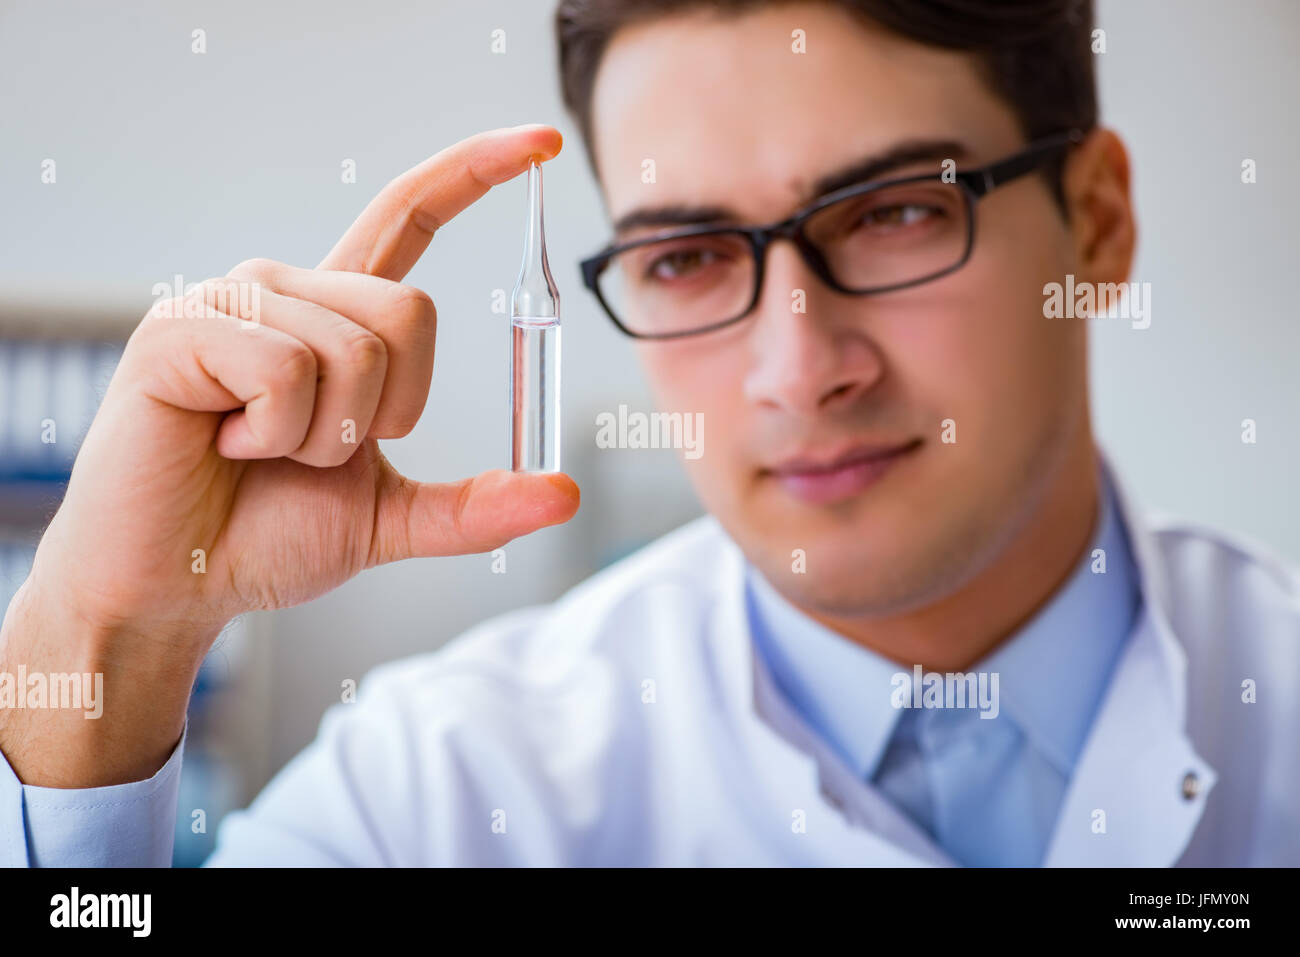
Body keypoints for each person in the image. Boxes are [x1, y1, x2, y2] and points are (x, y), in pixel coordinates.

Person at [1, 0, 1295, 867]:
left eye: (898, 212)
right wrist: (105, 642)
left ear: (1100, 223)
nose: (798, 368)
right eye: (687, 256)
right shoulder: (440, 795)